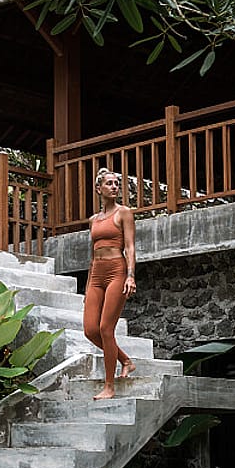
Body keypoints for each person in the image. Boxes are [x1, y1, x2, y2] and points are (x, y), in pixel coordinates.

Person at [83, 168, 137, 400]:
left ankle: (109, 386)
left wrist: (131, 275)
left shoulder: (124, 213)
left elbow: (130, 247)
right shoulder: (93, 220)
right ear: (99, 189)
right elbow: (92, 256)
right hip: (97, 274)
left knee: (106, 328)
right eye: (109, 183)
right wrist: (87, 287)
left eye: (117, 183)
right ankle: (125, 360)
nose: (114, 186)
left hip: (117, 270)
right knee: (90, 330)